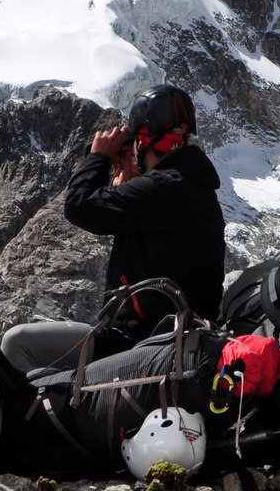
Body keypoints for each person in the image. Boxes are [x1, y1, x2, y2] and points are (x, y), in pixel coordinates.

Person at [61, 83, 226, 347]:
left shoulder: (159, 189)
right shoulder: (195, 188)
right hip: (185, 342)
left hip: (141, 344)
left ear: (142, 140)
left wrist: (99, 157)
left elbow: (79, 205)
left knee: (18, 343)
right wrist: (132, 184)